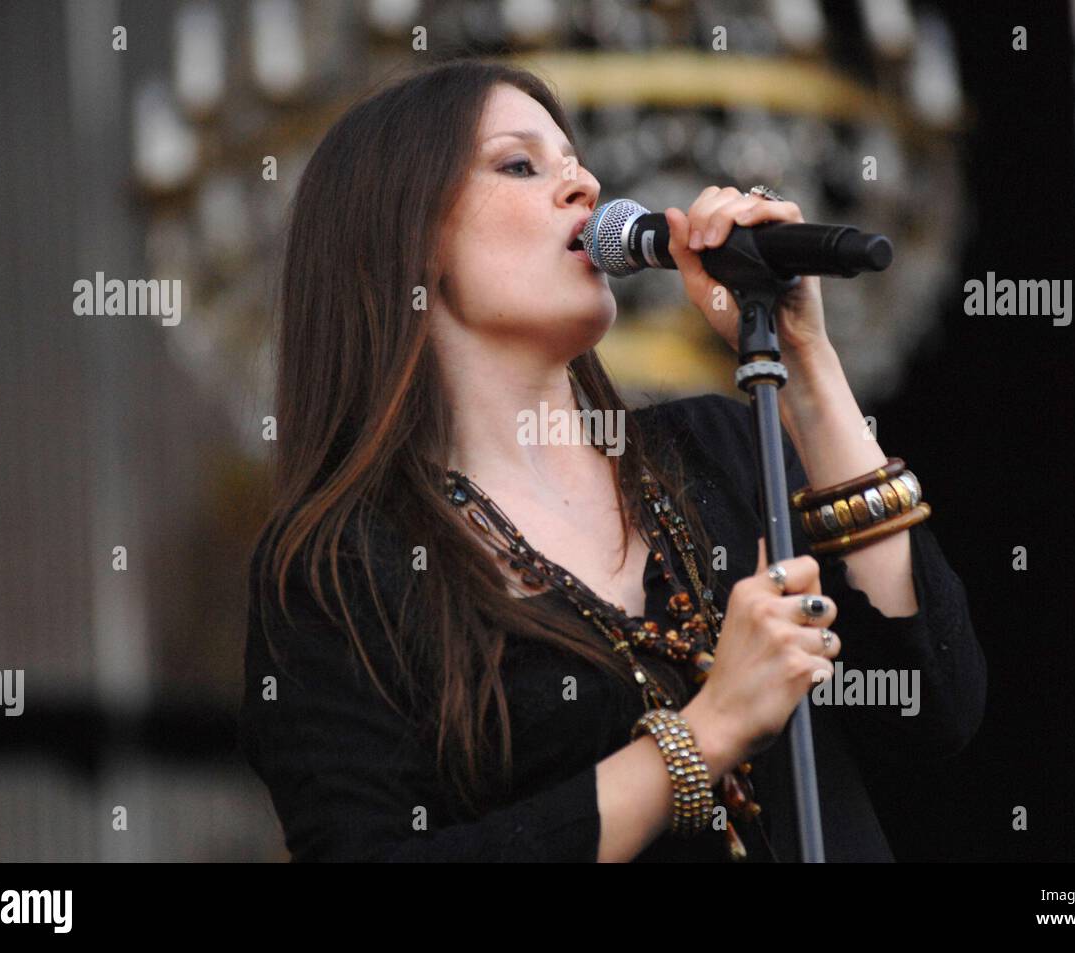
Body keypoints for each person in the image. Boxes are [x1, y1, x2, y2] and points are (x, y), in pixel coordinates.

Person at [237, 58, 987, 862]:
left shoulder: (718, 447)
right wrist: (706, 731)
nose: (584, 185)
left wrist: (803, 360)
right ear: (405, 241)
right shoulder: (340, 572)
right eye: (520, 164)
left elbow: (933, 706)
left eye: (576, 161)